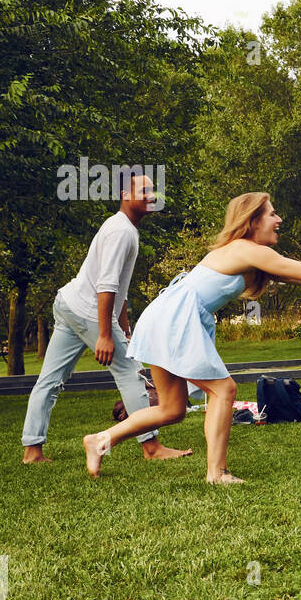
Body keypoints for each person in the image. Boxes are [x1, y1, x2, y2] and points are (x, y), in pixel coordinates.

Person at [82, 192, 301, 483]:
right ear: (252, 220)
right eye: (272, 214)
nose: (279, 220)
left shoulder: (251, 254)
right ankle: (216, 472)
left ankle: (100, 441)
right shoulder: (246, 249)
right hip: (176, 319)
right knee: (224, 390)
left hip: (169, 315)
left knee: (172, 409)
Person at [21, 171, 191, 464]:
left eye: (153, 191)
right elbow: (106, 285)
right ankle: (151, 447)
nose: (152, 196)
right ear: (125, 196)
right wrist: (103, 334)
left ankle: (32, 451)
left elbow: (119, 290)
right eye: (144, 191)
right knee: (131, 374)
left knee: (48, 381)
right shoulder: (121, 231)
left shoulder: (123, 228)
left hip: (69, 305)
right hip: (87, 310)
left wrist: (123, 332)